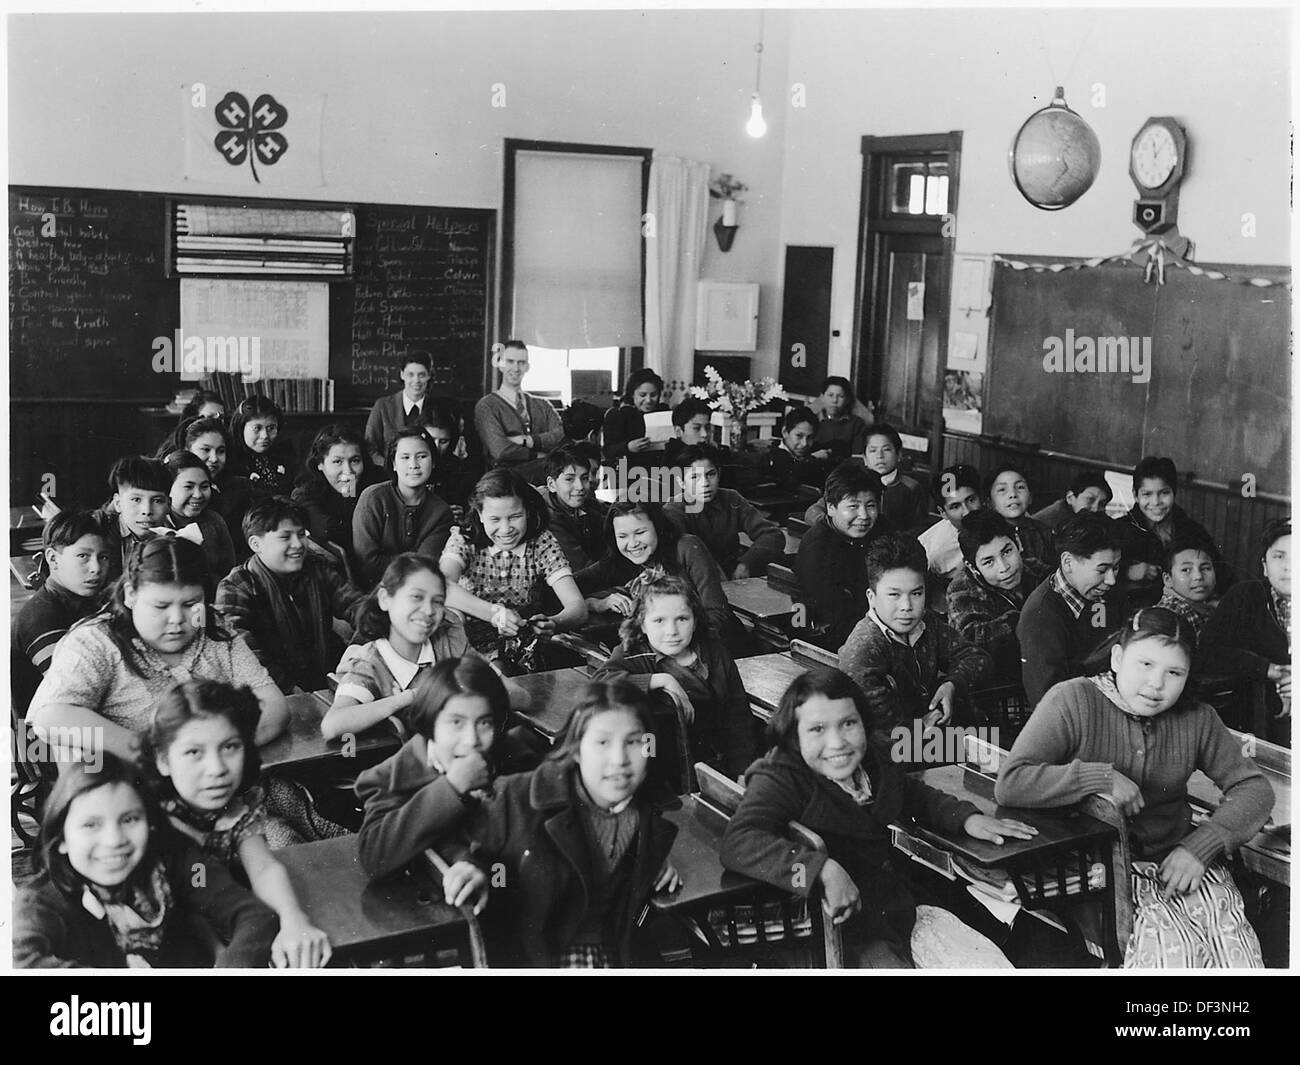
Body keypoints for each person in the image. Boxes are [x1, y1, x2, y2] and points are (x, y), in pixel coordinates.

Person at [996, 608, 1274, 968]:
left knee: (1235, 951)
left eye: (1174, 672)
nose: (1156, 684)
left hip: (1180, 861)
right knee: (1172, 955)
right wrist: (1100, 777)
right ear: (1117, 657)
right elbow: (1012, 782)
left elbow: (1254, 788)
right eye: (1144, 664)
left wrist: (1203, 845)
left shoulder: (1198, 718)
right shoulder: (1073, 700)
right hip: (1096, 874)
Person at [720, 667, 1029, 968]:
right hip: (840, 923)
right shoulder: (781, 775)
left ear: (864, 724)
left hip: (895, 897)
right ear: (793, 735)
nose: (837, 742)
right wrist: (819, 870)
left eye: (848, 724)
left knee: (996, 946)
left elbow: (909, 792)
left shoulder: (875, 757)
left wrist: (964, 818)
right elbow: (739, 842)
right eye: (817, 729)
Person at [440, 679, 681, 968]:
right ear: (577, 750)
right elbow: (489, 863)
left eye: (634, 742)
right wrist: (479, 870)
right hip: (539, 960)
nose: (619, 760)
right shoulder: (517, 798)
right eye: (602, 742)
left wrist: (650, 859)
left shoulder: (646, 816)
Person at [27, 537, 288, 763]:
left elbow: (273, 703)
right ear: (130, 595)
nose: (177, 619)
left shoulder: (213, 626)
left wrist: (220, 754)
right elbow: (51, 716)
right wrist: (155, 754)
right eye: (161, 606)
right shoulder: (95, 642)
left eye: (191, 603)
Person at [13, 754, 277, 968]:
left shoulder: (186, 863)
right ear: (61, 839)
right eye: (91, 825)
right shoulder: (38, 904)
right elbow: (18, 962)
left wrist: (232, 967)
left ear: (150, 824)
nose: (114, 840)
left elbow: (251, 913)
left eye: (129, 820)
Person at [143, 679, 331, 967]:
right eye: (194, 752)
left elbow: (264, 867)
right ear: (163, 760)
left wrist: (294, 919)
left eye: (230, 747)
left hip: (225, 914)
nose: (217, 769)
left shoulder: (236, 807)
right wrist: (219, 953)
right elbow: (183, 903)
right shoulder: (147, 818)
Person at [354, 656, 510, 880]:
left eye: (484, 722)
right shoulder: (389, 777)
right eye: (456, 723)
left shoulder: (514, 756)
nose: (471, 740)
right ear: (430, 724)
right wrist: (452, 787)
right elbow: (374, 856)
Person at [594, 573, 758, 778]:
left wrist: (743, 772)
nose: (671, 631)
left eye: (682, 619)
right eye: (659, 620)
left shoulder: (715, 653)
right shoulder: (633, 652)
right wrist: (659, 680)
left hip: (714, 763)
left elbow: (738, 718)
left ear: (695, 620)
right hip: (661, 769)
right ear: (643, 624)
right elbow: (599, 685)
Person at [838, 534, 991, 739]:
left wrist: (952, 684)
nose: (907, 607)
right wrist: (922, 727)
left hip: (928, 738)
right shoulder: (863, 648)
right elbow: (880, 728)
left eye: (916, 593)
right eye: (894, 595)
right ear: (871, 598)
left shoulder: (928, 624)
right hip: (890, 753)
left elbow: (977, 657)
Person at [215, 498, 365, 694]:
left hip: (326, 675)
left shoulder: (317, 568)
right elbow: (241, 653)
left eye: (301, 534)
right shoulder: (236, 587)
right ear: (255, 544)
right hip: (271, 690)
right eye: (285, 537)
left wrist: (357, 649)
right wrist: (288, 689)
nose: (298, 544)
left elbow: (360, 607)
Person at [322, 554, 477, 741]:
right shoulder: (372, 663)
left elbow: (503, 689)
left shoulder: (448, 637)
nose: (428, 611)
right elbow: (332, 726)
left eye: (437, 601)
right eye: (416, 597)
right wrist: (408, 698)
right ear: (385, 599)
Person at [440, 469, 588, 661]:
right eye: (495, 519)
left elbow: (577, 607)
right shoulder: (464, 538)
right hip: (466, 647)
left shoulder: (542, 542)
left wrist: (553, 623)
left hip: (522, 648)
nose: (505, 529)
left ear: (527, 510)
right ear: (480, 514)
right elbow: (440, 586)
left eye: (514, 517)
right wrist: (494, 614)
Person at [576, 500, 747, 655]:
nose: (633, 543)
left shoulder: (687, 548)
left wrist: (671, 641)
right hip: (663, 652)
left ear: (658, 527)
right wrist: (596, 603)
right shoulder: (618, 561)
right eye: (622, 536)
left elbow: (718, 614)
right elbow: (566, 589)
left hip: (720, 650)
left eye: (640, 532)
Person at [1017, 512, 1124, 707]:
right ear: (1068, 563)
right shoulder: (1040, 618)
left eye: (1116, 568)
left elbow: (1101, 642)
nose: (1111, 580)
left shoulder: (1097, 594)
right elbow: (1048, 702)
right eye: (1102, 570)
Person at [1200, 519, 1290, 744]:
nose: (1289, 566)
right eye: (1279, 556)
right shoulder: (1245, 596)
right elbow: (1207, 652)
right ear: (1265, 565)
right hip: (1255, 728)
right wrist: (1267, 668)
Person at [945, 510, 1052, 685]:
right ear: (972, 568)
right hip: (998, 685)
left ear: (1018, 543)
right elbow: (972, 638)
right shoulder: (961, 589)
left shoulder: (1037, 570)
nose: (1004, 567)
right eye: (989, 562)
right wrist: (1029, 619)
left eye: (1007, 552)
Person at [1113, 456, 1226, 611]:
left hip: (1188, 611)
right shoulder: (1119, 529)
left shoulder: (1192, 530)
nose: (1156, 502)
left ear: (1174, 492)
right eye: (1147, 494)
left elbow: (1222, 574)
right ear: (1135, 495)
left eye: (1164, 493)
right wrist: (1126, 570)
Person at [13, 509, 112, 687]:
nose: (96, 568)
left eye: (103, 557)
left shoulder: (86, 601)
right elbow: (76, 689)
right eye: (83, 556)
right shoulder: (41, 619)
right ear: (53, 558)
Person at [794, 461, 886, 649]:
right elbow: (833, 612)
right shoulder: (817, 546)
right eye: (853, 506)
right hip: (832, 637)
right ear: (830, 507)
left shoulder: (882, 529)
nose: (864, 516)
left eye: (870, 505)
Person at [664, 443, 785, 578]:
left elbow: (772, 535)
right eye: (694, 477)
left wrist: (746, 564)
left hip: (736, 577)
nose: (704, 483)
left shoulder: (731, 498)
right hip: (696, 581)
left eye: (710, 474)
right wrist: (712, 571)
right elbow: (679, 553)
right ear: (680, 482)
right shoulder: (673, 510)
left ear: (719, 474)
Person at [353, 426, 454, 584]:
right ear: (393, 463)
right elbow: (367, 563)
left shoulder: (441, 512)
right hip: (372, 590)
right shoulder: (373, 499)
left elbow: (425, 566)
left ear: (433, 462)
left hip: (419, 588)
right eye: (405, 457)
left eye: (421, 456)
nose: (413, 465)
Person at [290, 423, 384, 580]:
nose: (348, 471)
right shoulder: (306, 495)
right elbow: (332, 531)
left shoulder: (378, 484)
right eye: (337, 462)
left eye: (355, 460)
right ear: (320, 464)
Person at [472, 340, 566, 478]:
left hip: (544, 479)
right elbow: (500, 450)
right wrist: (539, 454)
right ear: (501, 364)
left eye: (521, 362)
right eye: (510, 361)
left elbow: (561, 436)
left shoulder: (543, 405)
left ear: (527, 366)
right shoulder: (487, 406)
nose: (516, 368)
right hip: (504, 480)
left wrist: (528, 440)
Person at [160, 449, 237, 592]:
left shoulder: (215, 522)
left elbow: (229, 575)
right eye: (188, 487)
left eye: (204, 486)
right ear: (167, 488)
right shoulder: (157, 524)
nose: (198, 495)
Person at [92, 456, 170, 582]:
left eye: (157, 501)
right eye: (136, 500)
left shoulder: (170, 539)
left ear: (169, 505)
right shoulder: (99, 532)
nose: (147, 511)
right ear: (118, 503)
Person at [183, 417, 252, 556]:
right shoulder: (176, 489)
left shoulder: (240, 487)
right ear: (187, 450)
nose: (214, 458)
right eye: (205, 450)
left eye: (220, 451)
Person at [364, 351, 436, 466]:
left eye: (421, 375)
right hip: (387, 474)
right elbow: (370, 447)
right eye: (410, 374)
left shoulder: (436, 406)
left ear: (429, 375)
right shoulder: (383, 406)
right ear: (402, 375)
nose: (416, 380)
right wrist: (390, 467)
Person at [542, 442, 606, 570]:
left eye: (585, 478)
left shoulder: (581, 503)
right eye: (569, 479)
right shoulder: (549, 518)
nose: (580, 487)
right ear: (551, 484)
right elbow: (582, 566)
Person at [917, 463, 983, 588]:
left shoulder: (998, 524)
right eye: (955, 506)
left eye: (971, 500)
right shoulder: (932, 552)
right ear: (943, 513)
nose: (967, 511)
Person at [602, 368, 666, 478]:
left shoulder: (664, 413)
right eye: (642, 395)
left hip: (659, 473)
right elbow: (607, 451)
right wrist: (628, 447)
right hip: (628, 475)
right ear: (632, 394)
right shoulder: (618, 415)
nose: (648, 400)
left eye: (653, 395)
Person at [227, 395, 296, 499]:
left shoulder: (284, 451)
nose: (265, 436)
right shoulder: (231, 460)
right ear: (241, 428)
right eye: (257, 428)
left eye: (271, 428)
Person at [862, 425, 927, 533]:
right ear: (865, 458)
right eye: (873, 451)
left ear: (898, 454)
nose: (880, 456)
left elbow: (920, 527)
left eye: (886, 449)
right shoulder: (855, 485)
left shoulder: (911, 487)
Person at [1153, 535, 1220, 640]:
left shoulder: (1202, 607)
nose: (1198, 577)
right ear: (1167, 579)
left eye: (1206, 568)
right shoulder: (1172, 611)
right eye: (1186, 570)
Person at [985, 464, 1053, 565]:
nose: (1013, 494)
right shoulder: (985, 535)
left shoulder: (1044, 532)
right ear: (989, 502)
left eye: (1020, 487)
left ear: (1030, 497)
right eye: (1002, 489)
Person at [758, 405, 829, 492]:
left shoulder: (814, 448)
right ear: (785, 432)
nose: (804, 443)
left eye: (810, 437)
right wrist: (812, 458)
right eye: (799, 436)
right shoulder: (773, 455)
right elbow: (791, 477)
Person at [810, 375, 870, 462]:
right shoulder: (812, 420)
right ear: (822, 397)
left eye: (841, 396)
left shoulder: (857, 424)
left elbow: (856, 456)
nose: (834, 400)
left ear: (847, 399)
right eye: (830, 395)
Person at [1031, 469, 1113, 531]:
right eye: (1090, 500)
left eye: (1102, 504)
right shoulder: (1045, 525)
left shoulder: (1094, 517)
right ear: (1070, 498)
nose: (1095, 509)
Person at [154, 391, 226, 459]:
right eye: (210, 417)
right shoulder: (175, 451)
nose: (217, 422)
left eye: (221, 417)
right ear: (195, 417)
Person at [663, 396, 716, 467]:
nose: (705, 434)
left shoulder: (712, 451)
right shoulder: (671, 461)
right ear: (679, 431)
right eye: (696, 428)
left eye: (707, 428)